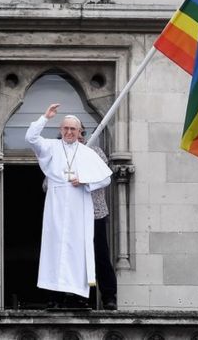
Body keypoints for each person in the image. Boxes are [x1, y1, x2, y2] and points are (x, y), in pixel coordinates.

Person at [26, 103, 112, 308]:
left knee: (79, 252)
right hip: (56, 209)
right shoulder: (51, 147)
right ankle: (54, 297)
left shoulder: (90, 152)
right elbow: (31, 138)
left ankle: (80, 297)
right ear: (60, 130)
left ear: (80, 131)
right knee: (54, 251)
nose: (69, 132)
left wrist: (85, 181)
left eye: (73, 129)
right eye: (65, 128)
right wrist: (45, 117)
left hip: (81, 210)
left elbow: (106, 178)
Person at [79, 125, 118, 311]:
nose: (74, 136)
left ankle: (109, 295)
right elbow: (48, 184)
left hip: (95, 212)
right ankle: (82, 297)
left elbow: (104, 176)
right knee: (77, 258)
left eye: (77, 132)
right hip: (73, 216)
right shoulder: (62, 154)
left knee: (100, 255)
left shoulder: (94, 151)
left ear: (83, 134)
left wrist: (83, 180)